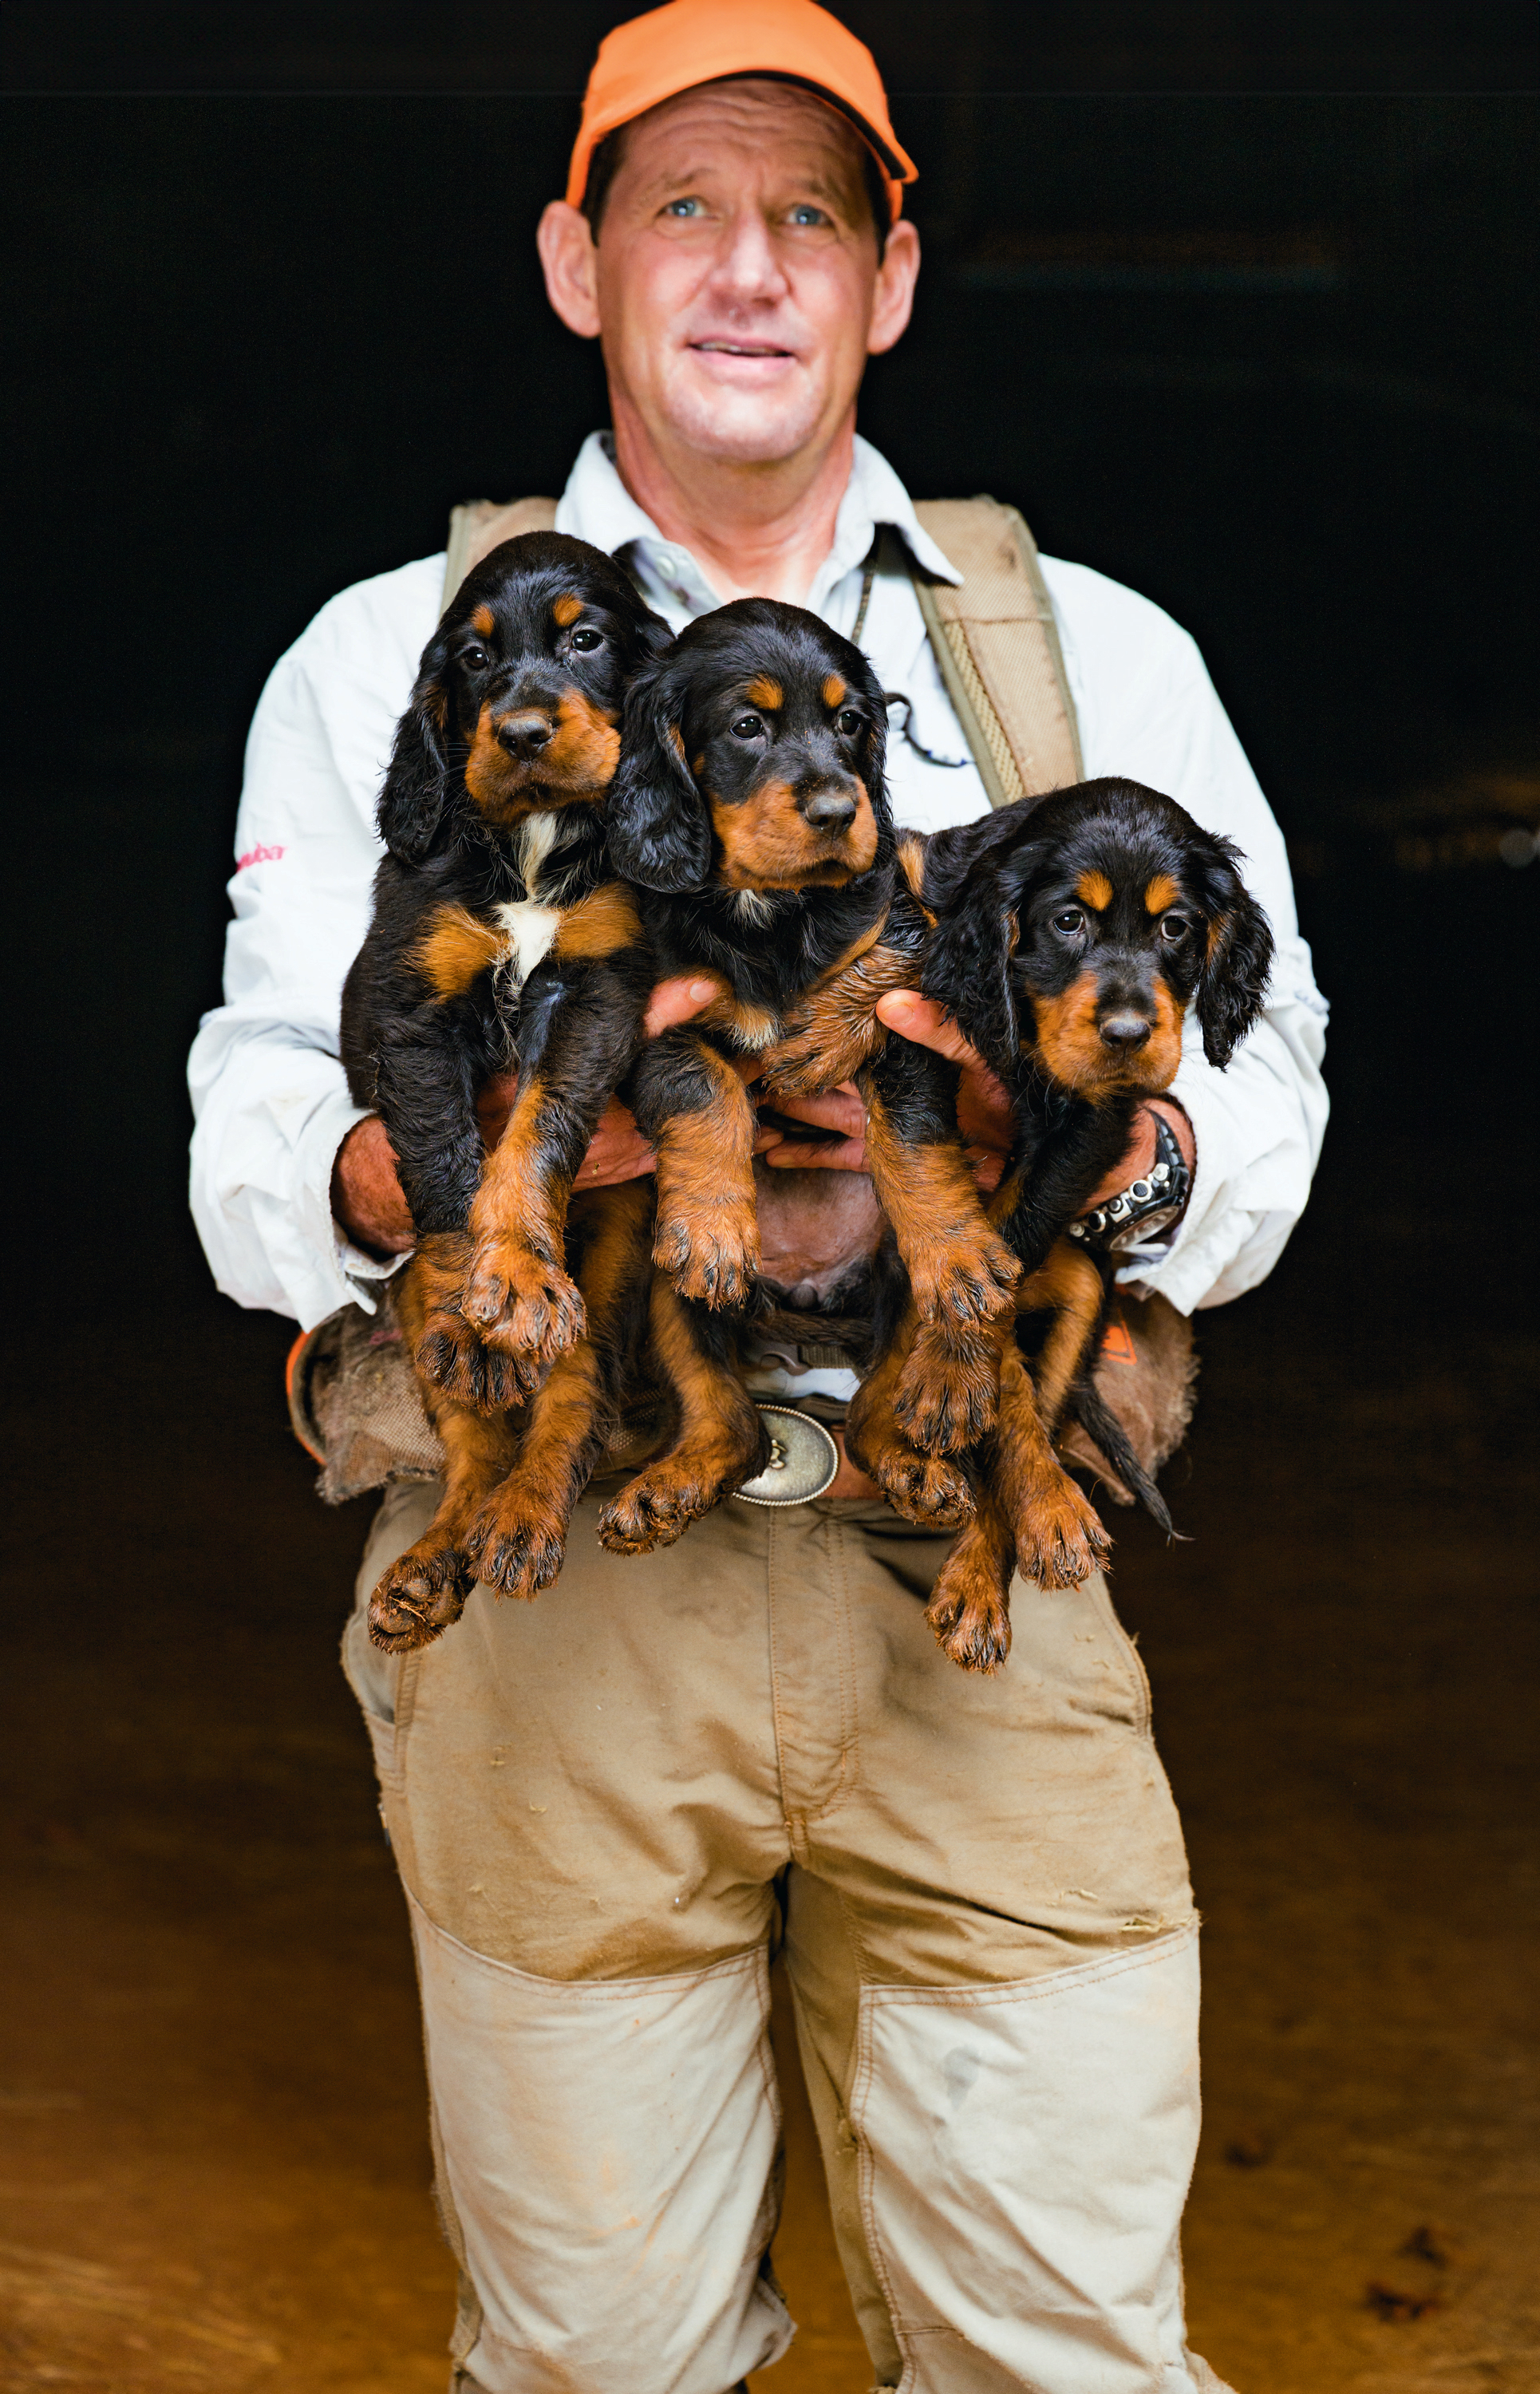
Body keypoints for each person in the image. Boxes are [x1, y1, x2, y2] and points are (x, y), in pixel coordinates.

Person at [188, 4, 1328, 2387]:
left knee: (1066, 2357)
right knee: (603, 2360)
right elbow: (259, 1119)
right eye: (677, 207)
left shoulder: (1081, 653)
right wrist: (514, 1152)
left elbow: (1274, 1080)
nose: (745, 268)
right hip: (563, 1599)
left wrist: (1074, 1157)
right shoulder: (388, 660)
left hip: (971, 1577)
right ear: (570, 262)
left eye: (810, 212)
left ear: (888, 282)